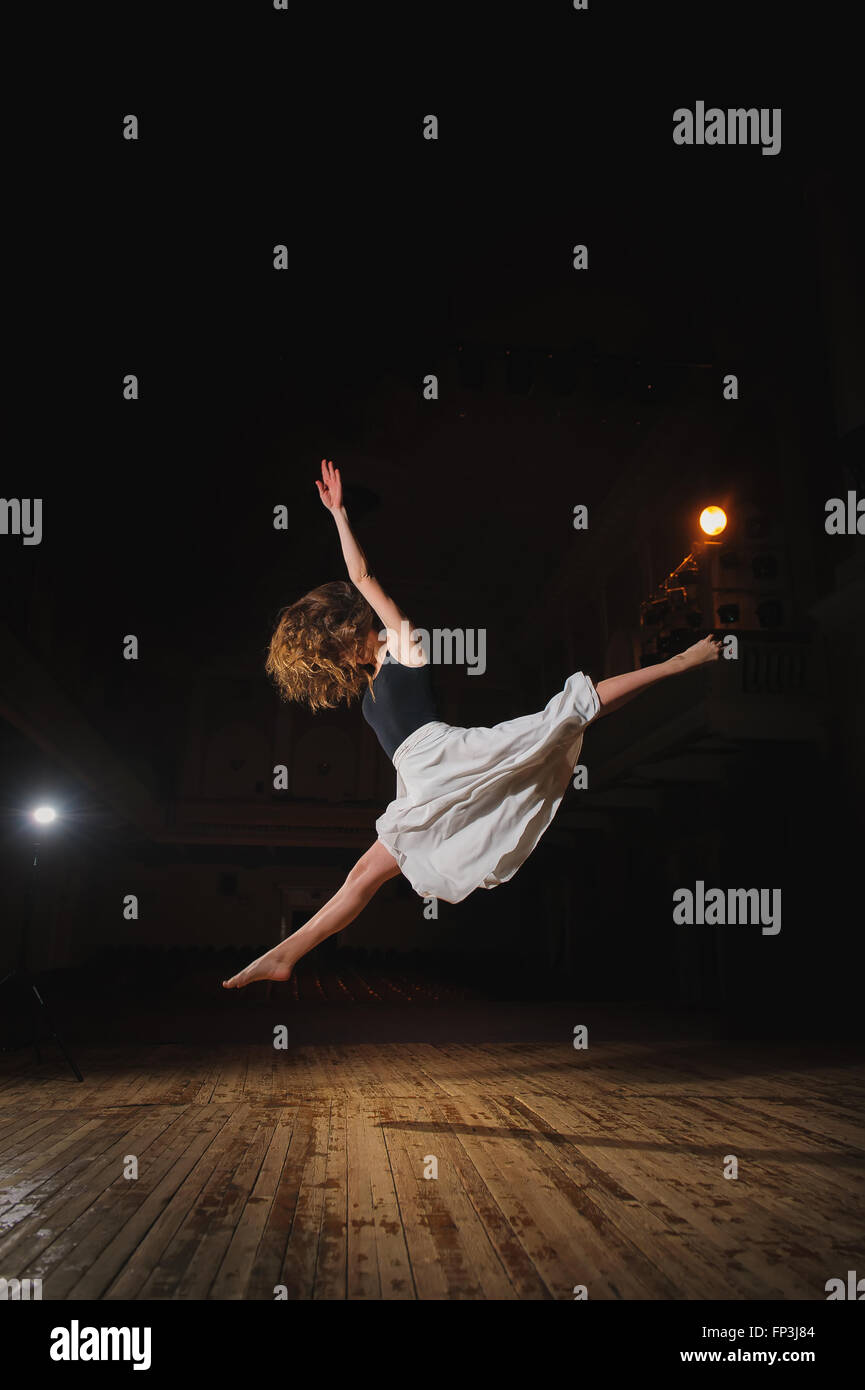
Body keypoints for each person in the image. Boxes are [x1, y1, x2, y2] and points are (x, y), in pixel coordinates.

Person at [223, 460, 720, 989]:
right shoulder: (365, 681)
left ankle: (681, 662)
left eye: (336, 644)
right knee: (362, 876)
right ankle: (284, 957)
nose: (336, 657)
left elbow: (363, 577)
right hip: (420, 784)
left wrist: (340, 516)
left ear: (351, 630)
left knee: (575, 706)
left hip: (447, 758)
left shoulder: (403, 647)